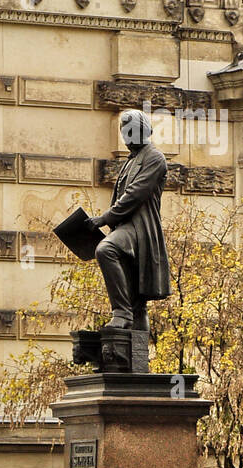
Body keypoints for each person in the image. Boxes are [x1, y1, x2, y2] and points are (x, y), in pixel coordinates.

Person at [91, 108, 170, 331]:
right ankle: (135, 352)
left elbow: (134, 194)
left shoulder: (155, 158)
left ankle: (121, 313)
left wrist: (104, 219)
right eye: (124, 132)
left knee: (106, 249)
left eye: (130, 132)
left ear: (142, 131)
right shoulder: (130, 161)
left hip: (140, 228)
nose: (126, 138)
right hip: (125, 227)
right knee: (138, 300)